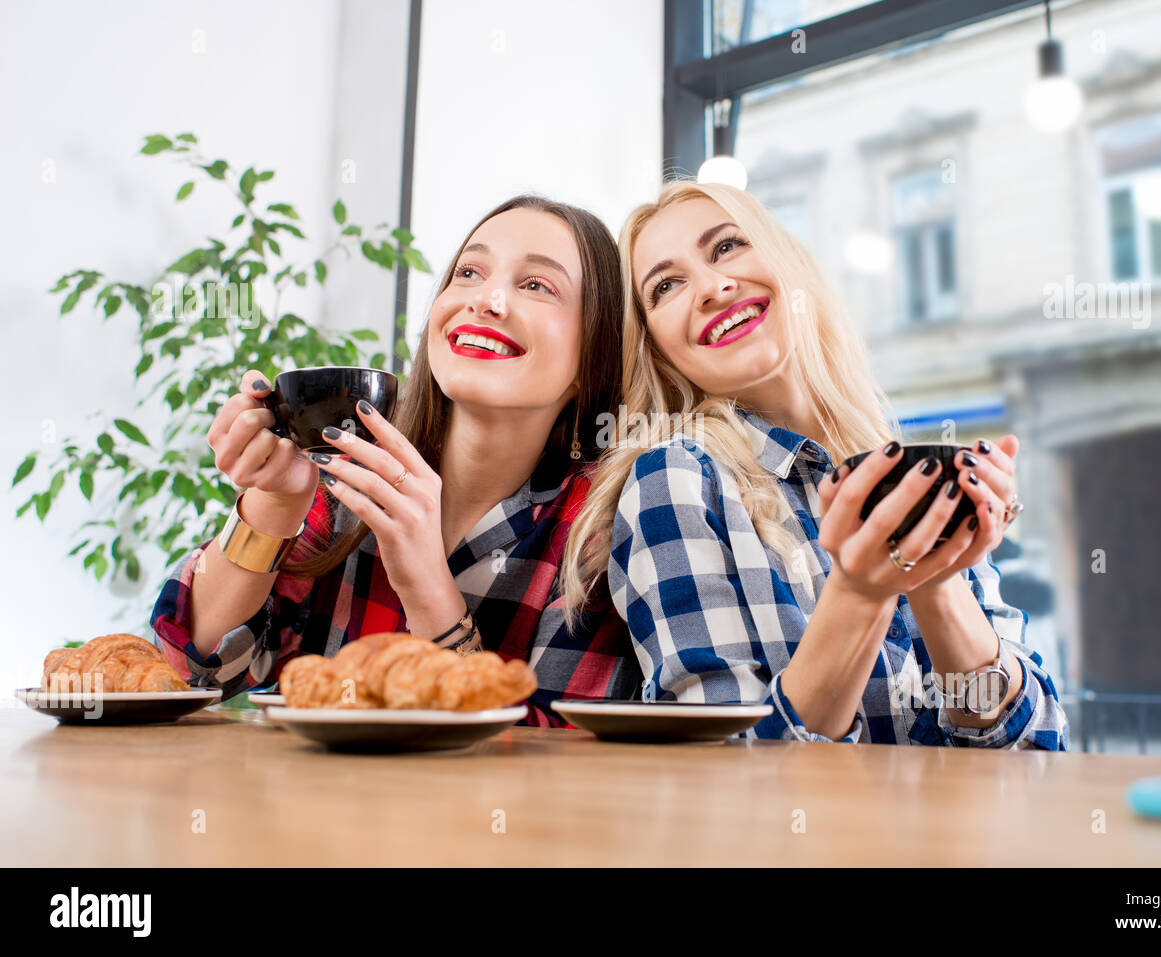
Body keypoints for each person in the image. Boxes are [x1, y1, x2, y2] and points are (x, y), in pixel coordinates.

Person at [562, 181, 1068, 748]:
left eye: (727, 247)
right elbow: (718, 769)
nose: (711, 286)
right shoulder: (675, 479)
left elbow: (1036, 748)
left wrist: (937, 577)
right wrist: (860, 594)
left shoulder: (902, 468)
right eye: (667, 285)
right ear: (655, 347)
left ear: (789, 266)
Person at [150, 195, 639, 725]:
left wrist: (428, 587)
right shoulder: (346, 474)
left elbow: (557, 757)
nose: (487, 299)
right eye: (469, 271)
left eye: (537, 285)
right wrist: (274, 501)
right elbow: (190, 671)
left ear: (593, 354)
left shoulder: (604, 527)